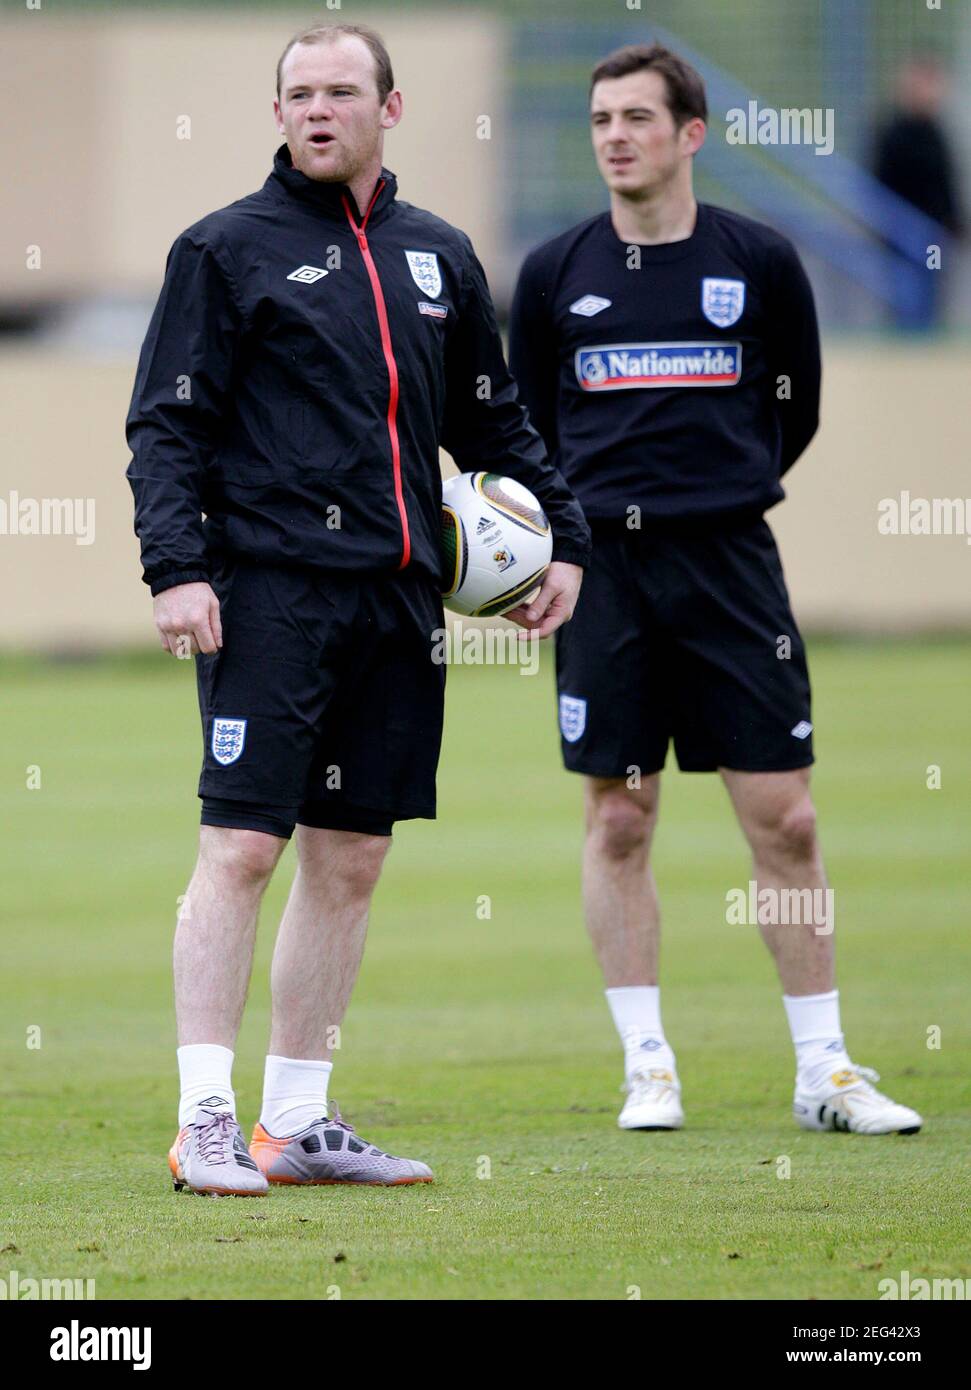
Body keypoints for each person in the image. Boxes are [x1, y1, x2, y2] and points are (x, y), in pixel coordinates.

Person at [126, 22, 589, 1197]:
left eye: (341, 90)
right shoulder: (222, 251)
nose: (317, 109)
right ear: (276, 114)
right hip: (266, 595)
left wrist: (562, 544)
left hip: (398, 601)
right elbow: (166, 424)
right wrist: (174, 567)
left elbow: (494, 427)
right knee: (239, 848)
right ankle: (205, 1121)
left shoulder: (439, 257)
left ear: (393, 105)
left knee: (351, 859)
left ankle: (297, 1118)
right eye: (297, 93)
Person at [509, 42, 921, 1137]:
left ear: (689, 134)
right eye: (599, 119)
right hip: (605, 577)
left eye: (637, 117)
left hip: (731, 567)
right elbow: (529, 436)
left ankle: (822, 1070)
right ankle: (647, 1064)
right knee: (620, 817)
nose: (613, 136)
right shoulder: (553, 273)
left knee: (782, 815)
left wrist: (714, 491)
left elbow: (797, 410)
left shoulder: (762, 261)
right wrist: (568, 538)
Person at [872, 55, 965, 332]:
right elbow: (882, 183)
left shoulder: (936, 131)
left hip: (934, 232)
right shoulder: (894, 131)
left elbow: (945, 183)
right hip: (904, 231)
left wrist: (954, 220)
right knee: (907, 299)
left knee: (930, 298)